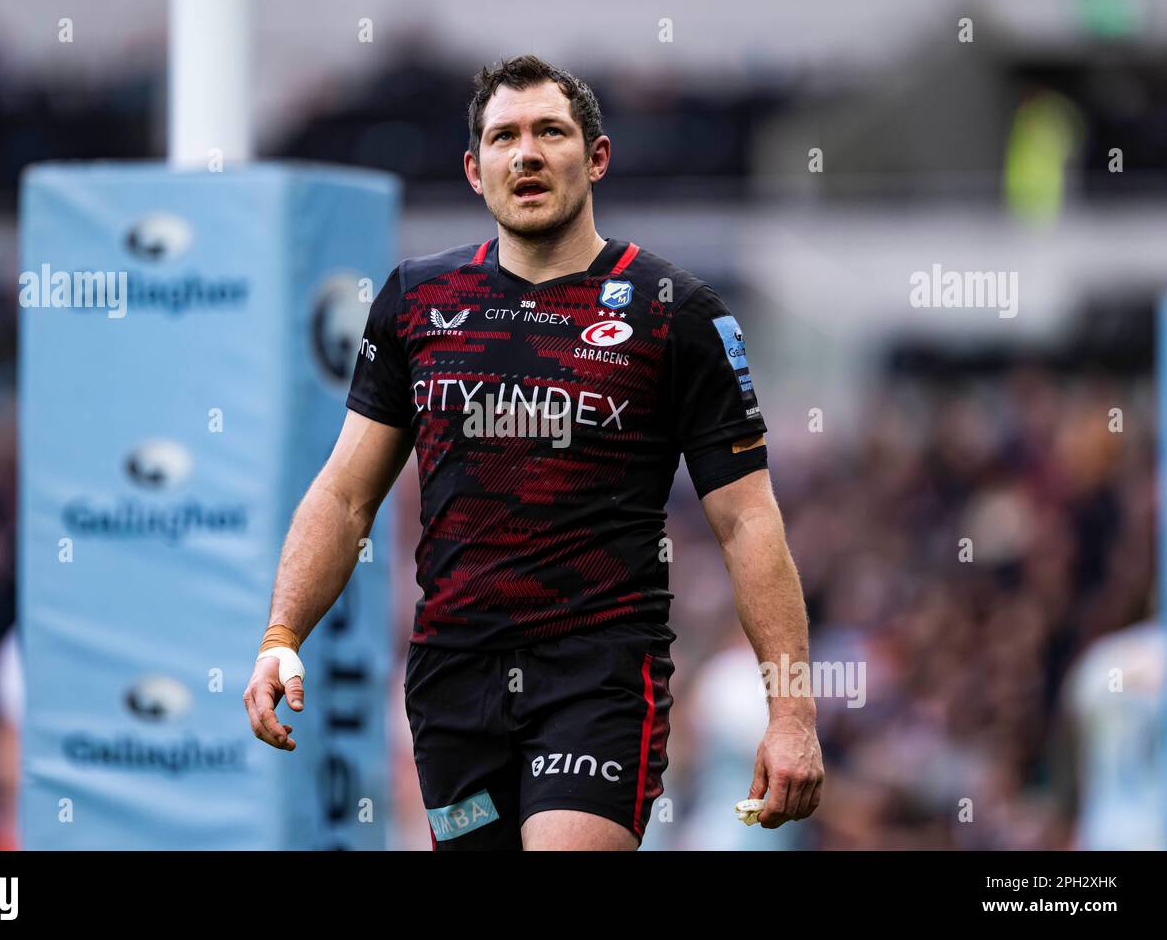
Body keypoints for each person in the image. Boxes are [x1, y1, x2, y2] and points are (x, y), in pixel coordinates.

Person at [243, 54, 822, 850]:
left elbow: (748, 523)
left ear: (596, 157)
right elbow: (345, 495)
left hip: (599, 673)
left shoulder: (675, 314)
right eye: (504, 136)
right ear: (475, 170)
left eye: (550, 131)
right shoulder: (417, 301)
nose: (527, 153)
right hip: (453, 681)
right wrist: (281, 637)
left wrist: (790, 714)